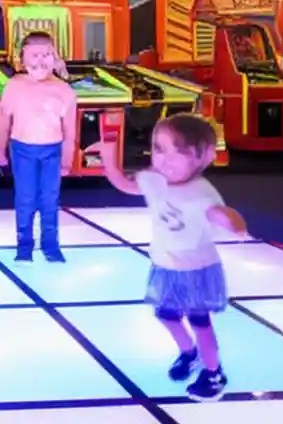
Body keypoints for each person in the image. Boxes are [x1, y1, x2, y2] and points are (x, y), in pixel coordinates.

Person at [101, 113, 247, 402]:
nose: (166, 159)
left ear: (204, 156)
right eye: (159, 148)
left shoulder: (201, 193)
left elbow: (218, 213)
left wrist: (233, 222)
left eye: (180, 151)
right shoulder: (155, 180)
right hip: (165, 264)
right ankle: (189, 353)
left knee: (200, 321)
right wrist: (108, 157)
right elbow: (126, 184)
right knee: (165, 314)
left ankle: (214, 372)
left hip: (196, 269)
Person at [0, 31, 77, 263]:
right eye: (34, 55)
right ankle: (24, 246)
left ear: (55, 57)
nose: (40, 61)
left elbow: (70, 130)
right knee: (25, 198)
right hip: (22, 150)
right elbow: (3, 120)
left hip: (52, 151)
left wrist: (67, 159)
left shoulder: (64, 90)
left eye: (46, 55)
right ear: (22, 58)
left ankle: (51, 246)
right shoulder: (14, 86)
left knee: (50, 199)